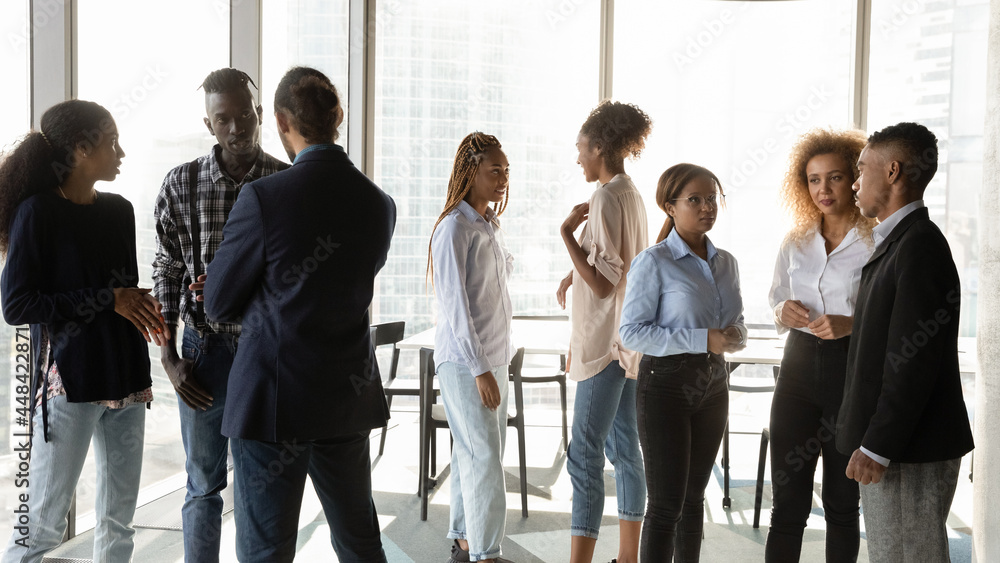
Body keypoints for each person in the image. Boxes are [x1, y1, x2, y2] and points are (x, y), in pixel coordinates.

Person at [201, 66, 394, 562]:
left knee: (266, 551)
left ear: (282, 121)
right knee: (360, 542)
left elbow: (218, 304)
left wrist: (247, 287)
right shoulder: (380, 204)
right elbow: (340, 286)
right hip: (346, 397)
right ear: (338, 117)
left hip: (273, 401)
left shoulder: (264, 197)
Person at [0, 99, 169, 563]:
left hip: (127, 378)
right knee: (40, 528)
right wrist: (108, 298)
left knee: (119, 522)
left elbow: (120, 293)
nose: (121, 152)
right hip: (70, 382)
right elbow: (17, 306)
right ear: (80, 149)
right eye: (112, 142)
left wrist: (141, 302)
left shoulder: (119, 210)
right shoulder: (37, 213)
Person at [152, 67, 288, 562]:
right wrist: (167, 357)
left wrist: (243, 287)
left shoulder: (286, 181)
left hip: (264, 350)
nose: (236, 128)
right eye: (223, 119)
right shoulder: (180, 183)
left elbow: (301, 275)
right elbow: (167, 268)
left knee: (260, 480)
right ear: (208, 124)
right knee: (203, 483)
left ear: (260, 114)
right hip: (202, 352)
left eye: (245, 115)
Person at [837, 122, 974, 563]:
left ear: (893, 171)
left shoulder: (919, 246)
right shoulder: (902, 241)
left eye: (862, 169)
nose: (854, 183)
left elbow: (912, 362)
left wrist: (877, 447)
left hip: (908, 449)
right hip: (901, 445)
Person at [620, 163, 746, 562]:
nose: (707, 207)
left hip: (714, 384)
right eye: (695, 199)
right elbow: (631, 333)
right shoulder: (654, 261)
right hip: (665, 386)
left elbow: (737, 324)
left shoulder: (726, 262)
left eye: (712, 198)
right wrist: (702, 338)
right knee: (665, 506)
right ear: (670, 206)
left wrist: (734, 336)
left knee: (694, 499)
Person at [764, 128, 874, 562]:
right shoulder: (796, 240)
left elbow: (892, 316)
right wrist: (782, 311)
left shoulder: (876, 241)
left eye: (834, 177)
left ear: (855, 180)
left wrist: (853, 324)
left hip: (850, 374)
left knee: (842, 505)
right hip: (796, 372)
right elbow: (776, 297)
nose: (823, 189)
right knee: (787, 504)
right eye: (813, 179)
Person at [555, 100, 651, 563]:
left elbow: (605, 281)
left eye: (580, 148)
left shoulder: (605, 197)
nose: (578, 157)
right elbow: (620, 261)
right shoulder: (630, 193)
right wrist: (571, 275)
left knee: (584, 455)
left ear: (598, 146)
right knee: (626, 450)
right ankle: (629, 557)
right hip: (626, 343)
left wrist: (566, 234)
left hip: (604, 347)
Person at [429, 132, 514, 563]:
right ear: (471, 171)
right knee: (485, 459)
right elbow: (456, 307)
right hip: (466, 364)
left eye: (506, 170)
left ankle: (466, 542)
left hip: (493, 358)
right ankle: (487, 554)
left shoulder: (488, 225)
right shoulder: (454, 227)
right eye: (494, 170)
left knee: (474, 453)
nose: (503, 178)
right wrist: (480, 368)